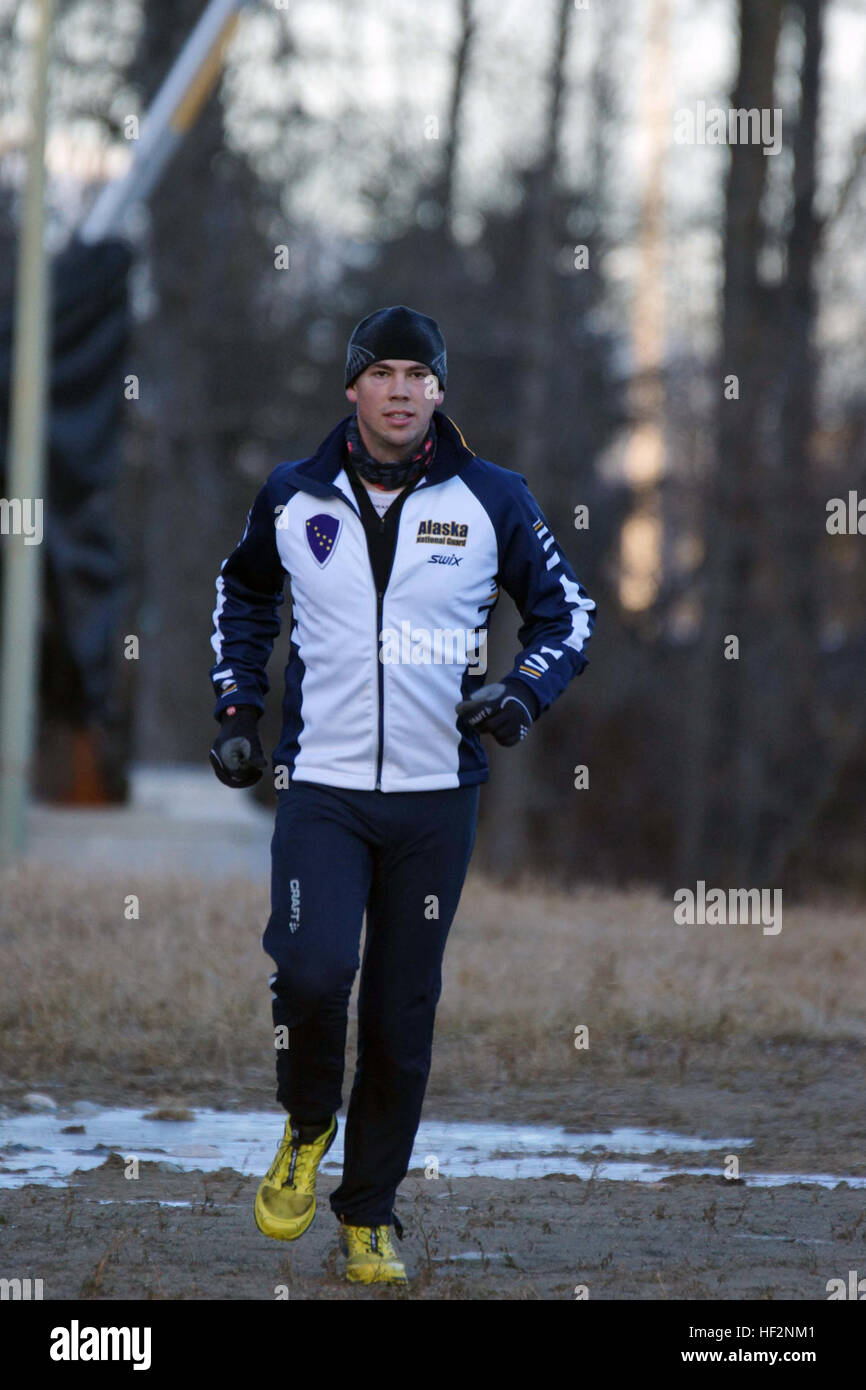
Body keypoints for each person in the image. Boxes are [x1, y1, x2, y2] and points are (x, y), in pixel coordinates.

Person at [208, 305, 596, 1284]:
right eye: (379, 372)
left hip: (434, 803)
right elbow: (242, 592)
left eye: (416, 376)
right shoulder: (293, 497)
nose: (398, 390)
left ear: (438, 393)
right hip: (322, 792)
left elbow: (567, 612)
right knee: (309, 971)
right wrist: (235, 704)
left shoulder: (492, 498)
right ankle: (305, 1124)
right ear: (351, 389)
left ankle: (368, 1212)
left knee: (399, 1009)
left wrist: (522, 689)